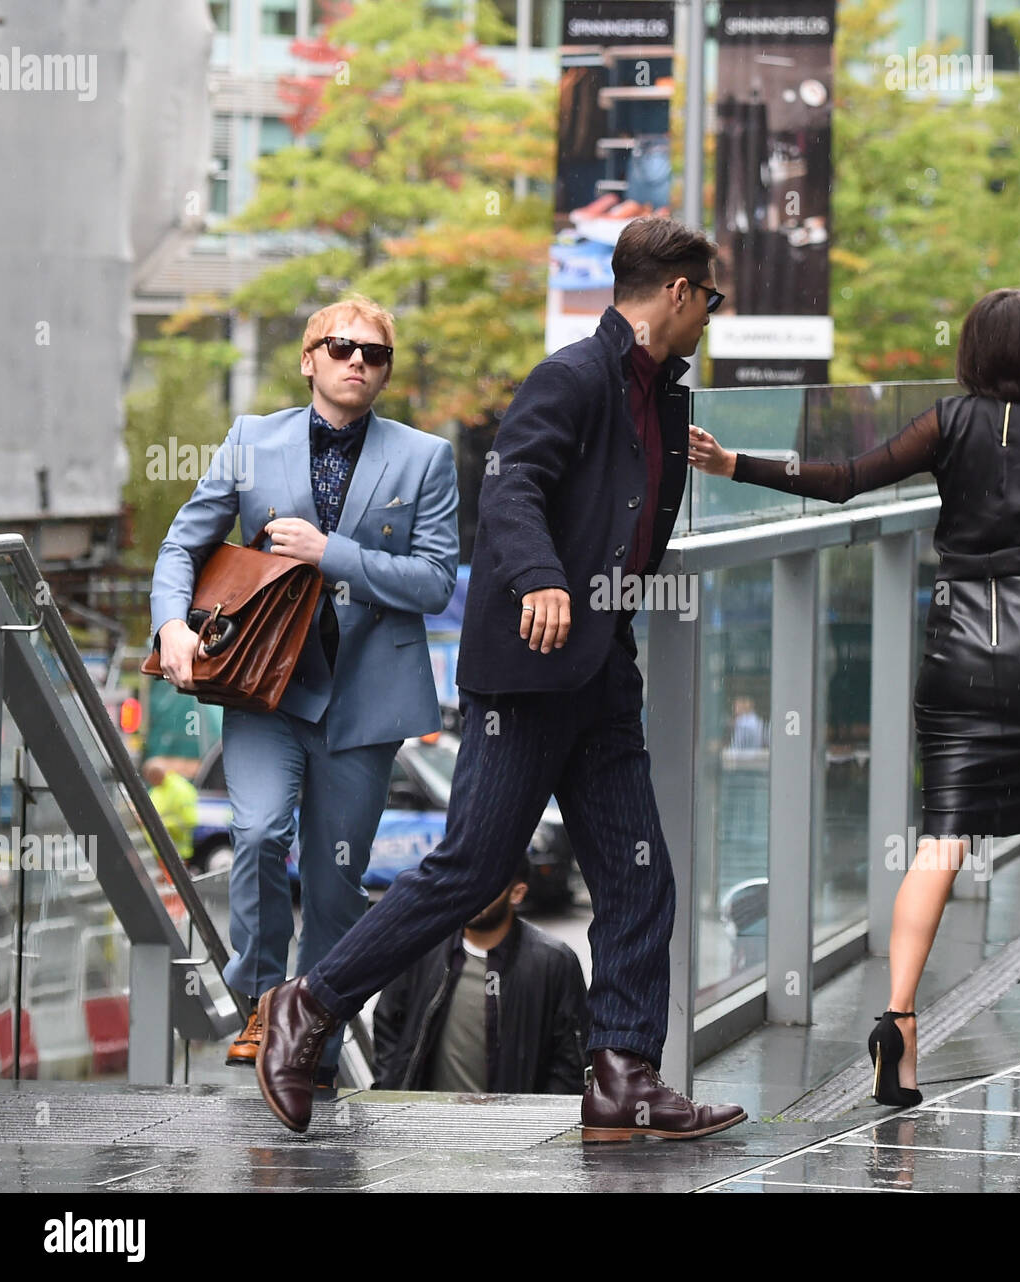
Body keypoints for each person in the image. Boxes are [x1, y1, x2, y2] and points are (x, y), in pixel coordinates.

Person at [253, 217, 746, 1141]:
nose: (711, 319)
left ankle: (624, 1077)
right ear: (677, 292)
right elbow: (512, 485)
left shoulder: (664, 400)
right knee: (471, 866)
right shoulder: (571, 377)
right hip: (529, 668)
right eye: (708, 300)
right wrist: (543, 579)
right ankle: (308, 1006)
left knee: (640, 877)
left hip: (601, 673)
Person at [690, 288, 1020, 1105]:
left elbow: (842, 481)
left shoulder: (945, 423)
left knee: (942, 838)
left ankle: (899, 1021)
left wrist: (737, 464)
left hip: (955, 658)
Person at [151, 294, 459, 1086]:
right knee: (255, 835)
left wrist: (334, 552)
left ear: (385, 371)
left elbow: (431, 584)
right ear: (309, 358)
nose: (358, 360)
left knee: (334, 877)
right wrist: (171, 628)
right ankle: (260, 1001)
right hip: (265, 689)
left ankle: (311, 1025)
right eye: (342, 346)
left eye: (375, 353)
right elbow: (183, 544)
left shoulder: (424, 457)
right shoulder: (253, 441)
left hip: (365, 699)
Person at [372, 858, 590, 1094]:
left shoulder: (553, 961)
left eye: (486, 887)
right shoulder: (422, 946)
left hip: (515, 1126)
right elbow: (388, 1024)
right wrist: (392, 1089)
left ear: (516, 893)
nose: (472, 895)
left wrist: (536, 1120)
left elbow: (572, 1058)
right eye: (466, 883)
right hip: (427, 1122)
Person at [142, 760, 198, 865]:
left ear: (155, 775)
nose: (150, 782)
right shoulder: (157, 789)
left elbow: (190, 821)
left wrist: (158, 824)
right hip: (161, 853)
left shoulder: (180, 789)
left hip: (176, 855)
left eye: (150, 779)